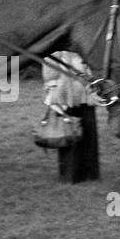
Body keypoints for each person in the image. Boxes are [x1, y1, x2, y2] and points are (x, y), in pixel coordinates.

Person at [42, 52, 100, 184]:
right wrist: (52, 89)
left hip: (86, 92)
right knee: (68, 132)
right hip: (64, 93)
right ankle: (70, 174)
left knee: (89, 132)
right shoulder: (59, 46)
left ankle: (90, 174)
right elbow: (49, 62)